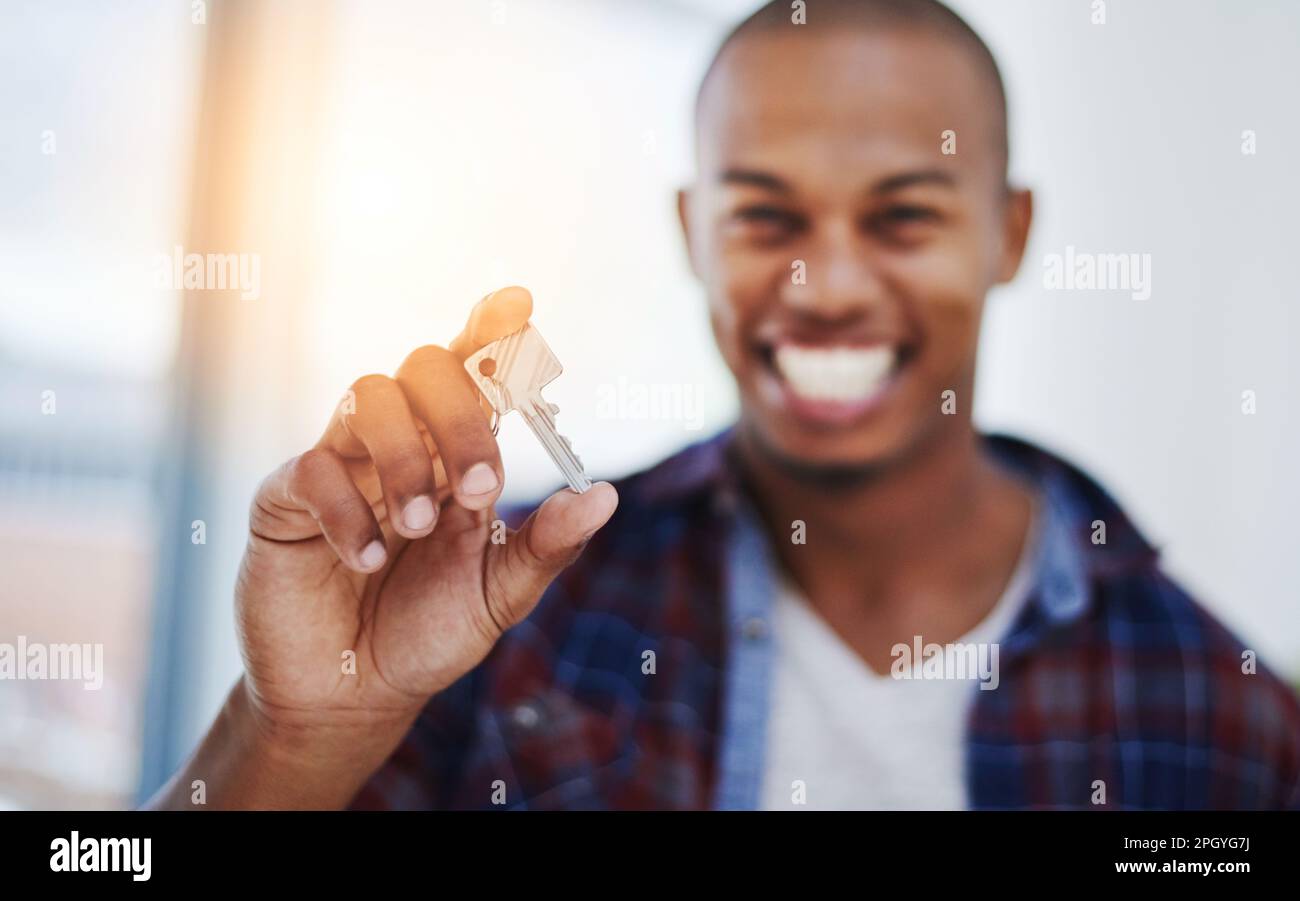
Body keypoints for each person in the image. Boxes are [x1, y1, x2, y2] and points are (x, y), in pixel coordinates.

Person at [148, 0, 1300, 810]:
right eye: (765, 216)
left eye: (903, 216)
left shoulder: (1214, 706)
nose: (829, 286)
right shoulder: (495, 611)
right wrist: (298, 732)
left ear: (1008, 234)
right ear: (692, 232)